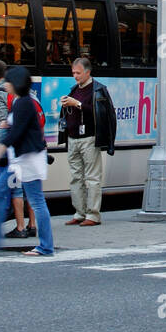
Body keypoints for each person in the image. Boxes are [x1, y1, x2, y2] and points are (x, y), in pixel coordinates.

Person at [0, 65, 53, 256]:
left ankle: (46, 246)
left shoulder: (23, 103)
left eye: (9, 81)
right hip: (21, 161)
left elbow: (16, 134)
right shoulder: (22, 102)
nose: (5, 85)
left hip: (27, 160)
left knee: (36, 201)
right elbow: (18, 128)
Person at [59, 56, 116, 227]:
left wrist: (77, 104)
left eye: (78, 73)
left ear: (88, 72)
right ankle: (80, 212)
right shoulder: (75, 89)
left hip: (90, 138)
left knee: (92, 178)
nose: (75, 76)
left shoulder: (98, 90)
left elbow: (104, 114)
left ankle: (93, 214)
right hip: (73, 137)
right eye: (73, 73)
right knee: (76, 178)